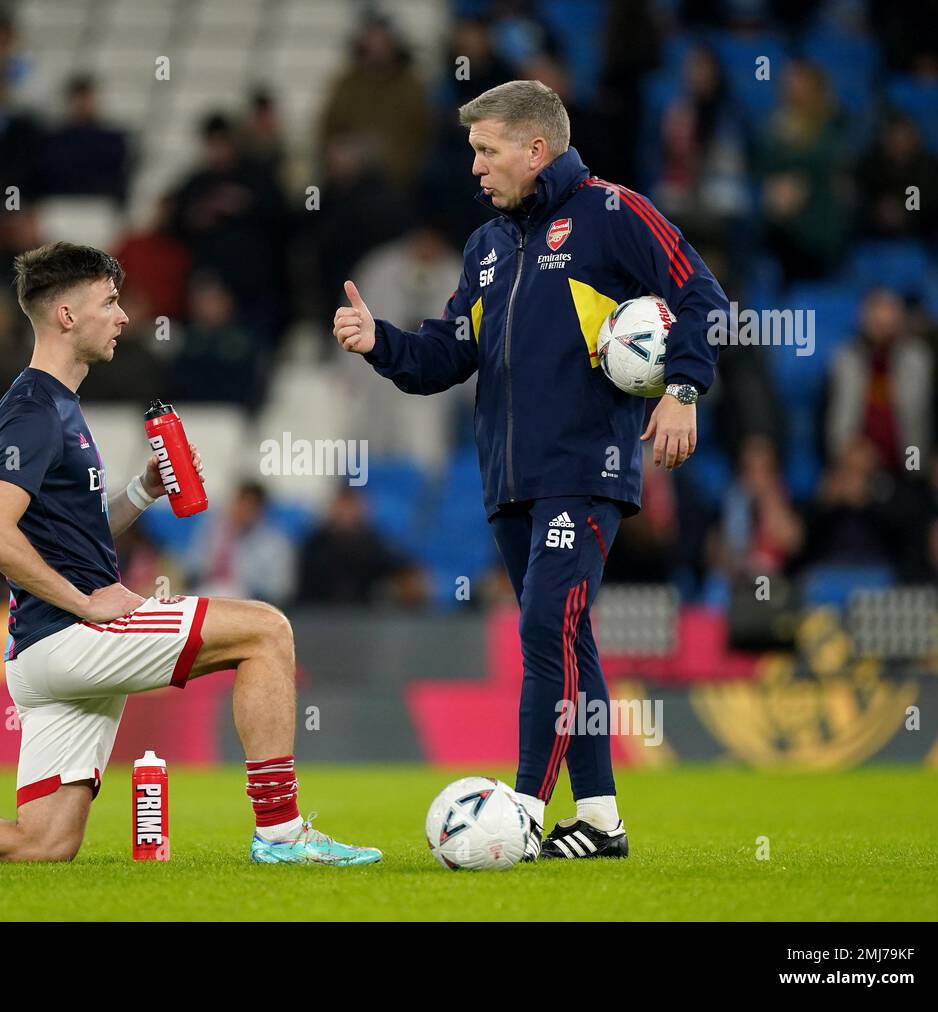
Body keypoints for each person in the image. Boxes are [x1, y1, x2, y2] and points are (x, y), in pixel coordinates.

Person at [0, 243, 379, 867]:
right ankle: (280, 833)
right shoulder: (33, 409)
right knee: (267, 632)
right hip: (72, 633)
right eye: (108, 302)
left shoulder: (58, 408)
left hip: (42, 651)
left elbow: (77, 537)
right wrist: (87, 602)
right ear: (64, 315)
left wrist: (141, 492)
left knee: (42, 844)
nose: (124, 317)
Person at [333, 80, 726, 861]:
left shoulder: (613, 213)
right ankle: (603, 822)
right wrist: (379, 340)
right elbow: (448, 356)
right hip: (507, 480)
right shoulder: (487, 248)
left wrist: (683, 389)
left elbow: (702, 296)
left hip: (584, 468)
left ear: (534, 148)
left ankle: (520, 807)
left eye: (487, 150)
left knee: (548, 627)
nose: (475, 168)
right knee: (567, 639)